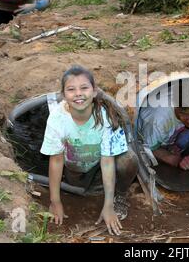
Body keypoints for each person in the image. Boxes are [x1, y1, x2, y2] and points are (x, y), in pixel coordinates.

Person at [40, 65, 138, 235]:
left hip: (100, 166)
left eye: (84, 88)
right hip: (74, 169)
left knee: (128, 159)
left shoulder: (106, 116)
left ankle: (119, 195)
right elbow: (56, 160)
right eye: (71, 89)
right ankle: (85, 189)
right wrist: (55, 201)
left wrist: (108, 206)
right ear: (63, 95)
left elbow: (107, 161)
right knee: (79, 186)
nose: (78, 93)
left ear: (94, 92)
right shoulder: (57, 118)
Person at [137, 80, 189, 170]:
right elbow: (150, 149)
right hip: (148, 136)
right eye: (186, 115)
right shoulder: (158, 119)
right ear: (176, 107)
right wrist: (178, 161)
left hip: (170, 134)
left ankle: (175, 145)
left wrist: (176, 146)